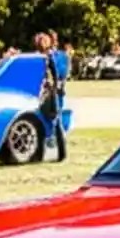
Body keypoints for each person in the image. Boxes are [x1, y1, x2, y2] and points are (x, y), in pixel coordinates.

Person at [35, 32, 68, 161]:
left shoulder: (50, 57)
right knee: (44, 122)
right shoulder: (42, 57)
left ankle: (61, 153)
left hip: (51, 94)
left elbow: (55, 76)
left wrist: (53, 88)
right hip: (46, 93)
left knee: (55, 122)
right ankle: (41, 154)